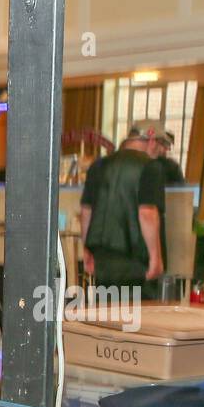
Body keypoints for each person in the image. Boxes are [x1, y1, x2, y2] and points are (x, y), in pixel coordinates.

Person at [79, 127, 166, 300]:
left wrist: (87, 249)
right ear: (152, 141)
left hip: (103, 260)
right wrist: (156, 258)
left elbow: (86, 211)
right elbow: (147, 213)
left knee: (107, 317)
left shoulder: (98, 166)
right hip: (135, 262)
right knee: (136, 322)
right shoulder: (150, 167)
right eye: (162, 146)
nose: (162, 152)